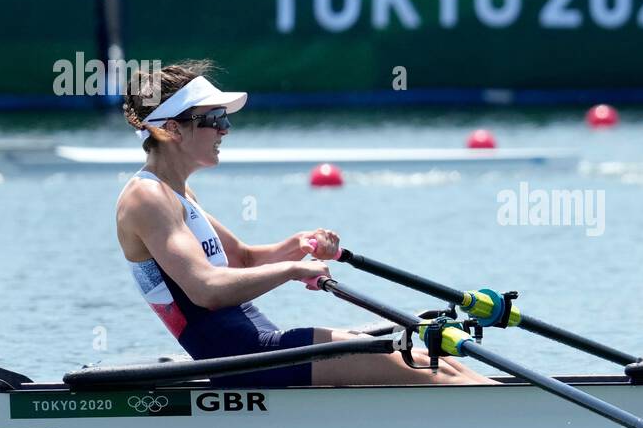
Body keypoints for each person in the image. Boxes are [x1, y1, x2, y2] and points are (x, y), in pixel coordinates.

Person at [116, 61, 488, 387]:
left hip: (263, 346)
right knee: (433, 373)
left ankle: (518, 405)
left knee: (437, 362)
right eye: (214, 120)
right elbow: (207, 290)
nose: (225, 130)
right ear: (173, 131)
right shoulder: (147, 198)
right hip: (246, 362)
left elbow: (242, 260)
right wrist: (293, 269)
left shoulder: (179, 193)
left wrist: (299, 245)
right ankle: (528, 414)